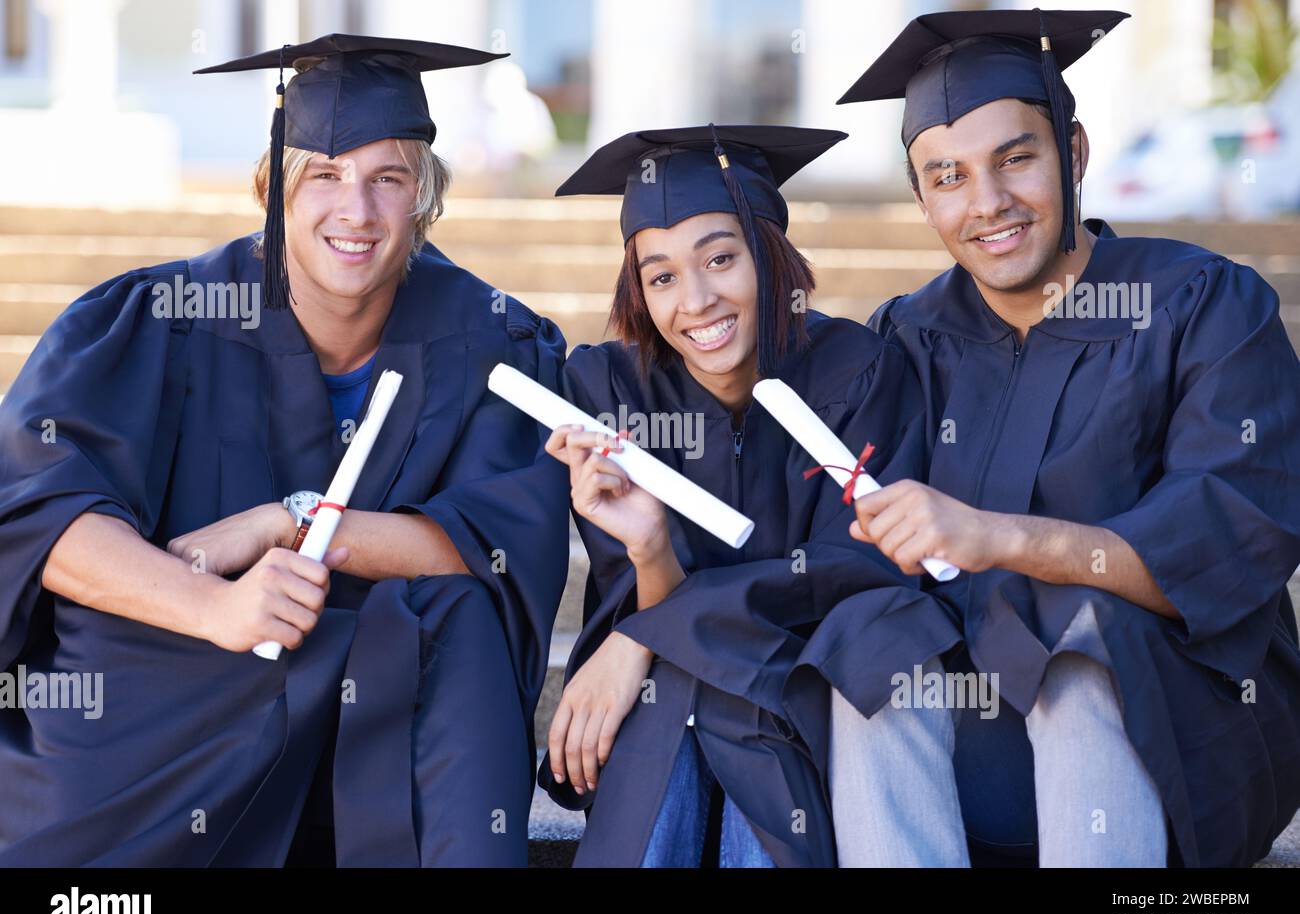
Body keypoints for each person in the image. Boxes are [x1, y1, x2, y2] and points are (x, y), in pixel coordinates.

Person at [0, 34, 569, 866]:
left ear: (425, 197)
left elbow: (492, 543)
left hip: (372, 690)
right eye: (325, 175)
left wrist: (291, 522)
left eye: (389, 178)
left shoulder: (489, 338)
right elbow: (44, 514)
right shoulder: (161, 318)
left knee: (459, 619)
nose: (357, 211)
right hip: (185, 676)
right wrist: (217, 608)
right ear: (271, 186)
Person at [795, 8, 1300, 867]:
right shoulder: (908, 337)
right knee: (869, 651)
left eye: (1014, 159)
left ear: (1074, 155)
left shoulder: (1202, 305)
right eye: (947, 177)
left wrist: (1001, 538)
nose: (986, 204)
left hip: (1180, 734)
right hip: (982, 750)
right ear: (922, 200)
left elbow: (1229, 532)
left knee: (1082, 649)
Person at [537, 125, 925, 866]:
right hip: (668, 699)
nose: (697, 301)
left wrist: (642, 633)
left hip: (802, 693)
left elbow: (854, 572)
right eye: (661, 277)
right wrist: (650, 552)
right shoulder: (611, 389)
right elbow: (640, 588)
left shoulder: (860, 372)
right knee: (665, 735)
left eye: (720, 258)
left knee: (749, 744)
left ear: (772, 259)